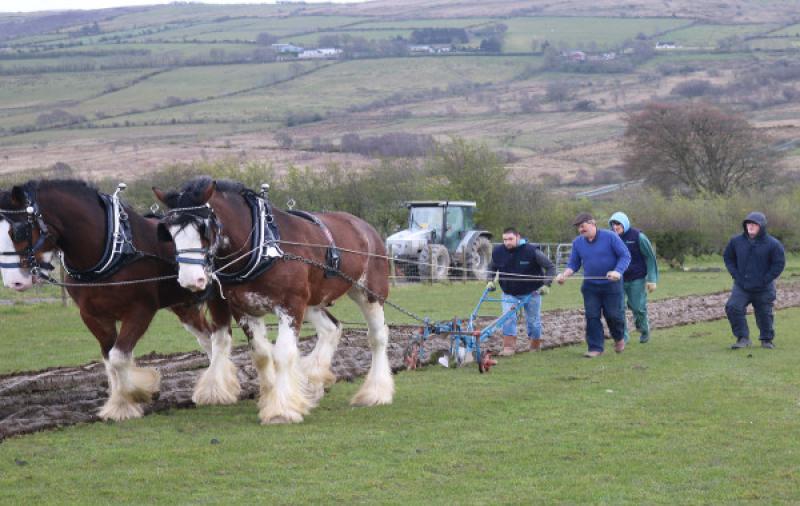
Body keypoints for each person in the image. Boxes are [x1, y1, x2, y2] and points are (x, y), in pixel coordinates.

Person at [555, 213, 631, 358]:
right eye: (578, 227)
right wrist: (564, 275)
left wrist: (617, 271)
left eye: (582, 226)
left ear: (592, 223)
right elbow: (574, 263)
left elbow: (625, 256)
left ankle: (619, 337)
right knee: (592, 316)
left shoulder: (610, 237)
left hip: (612, 285)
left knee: (613, 315)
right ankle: (595, 348)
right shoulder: (578, 243)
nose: (580, 230)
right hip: (590, 286)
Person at [486, 227, 556, 356]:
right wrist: (490, 280)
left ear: (518, 237)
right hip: (509, 292)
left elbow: (550, 267)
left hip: (532, 292)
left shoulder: (531, 251)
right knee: (507, 318)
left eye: (510, 239)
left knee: (533, 321)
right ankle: (508, 348)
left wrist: (547, 284)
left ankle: (535, 347)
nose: (507, 242)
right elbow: (492, 267)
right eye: (505, 239)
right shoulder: (498, 252)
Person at [723, 211, 785, 350]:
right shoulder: (736, 242)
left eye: (754, 224)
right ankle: (743, 338)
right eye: (748, 224)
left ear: (761, 226)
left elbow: (779, 264)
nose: (750, 227)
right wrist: (736, 275)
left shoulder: (773, 244)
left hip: (764, 287)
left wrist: (766, 279)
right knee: (733, 307)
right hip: (741, 285)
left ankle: (766, 340)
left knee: (764, 313)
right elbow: (728, 258)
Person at [608, 211, 659, 344]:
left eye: (618, 224)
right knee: (618, 308)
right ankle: (623, 336)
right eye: (613, 224)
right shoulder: (611, 238)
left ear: (624, 223)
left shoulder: (638, 237)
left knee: (637, 307)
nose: (615, 227)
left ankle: (644, 329)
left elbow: (650, 257)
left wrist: (652, 279)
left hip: (637, 277)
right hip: (618, 278)